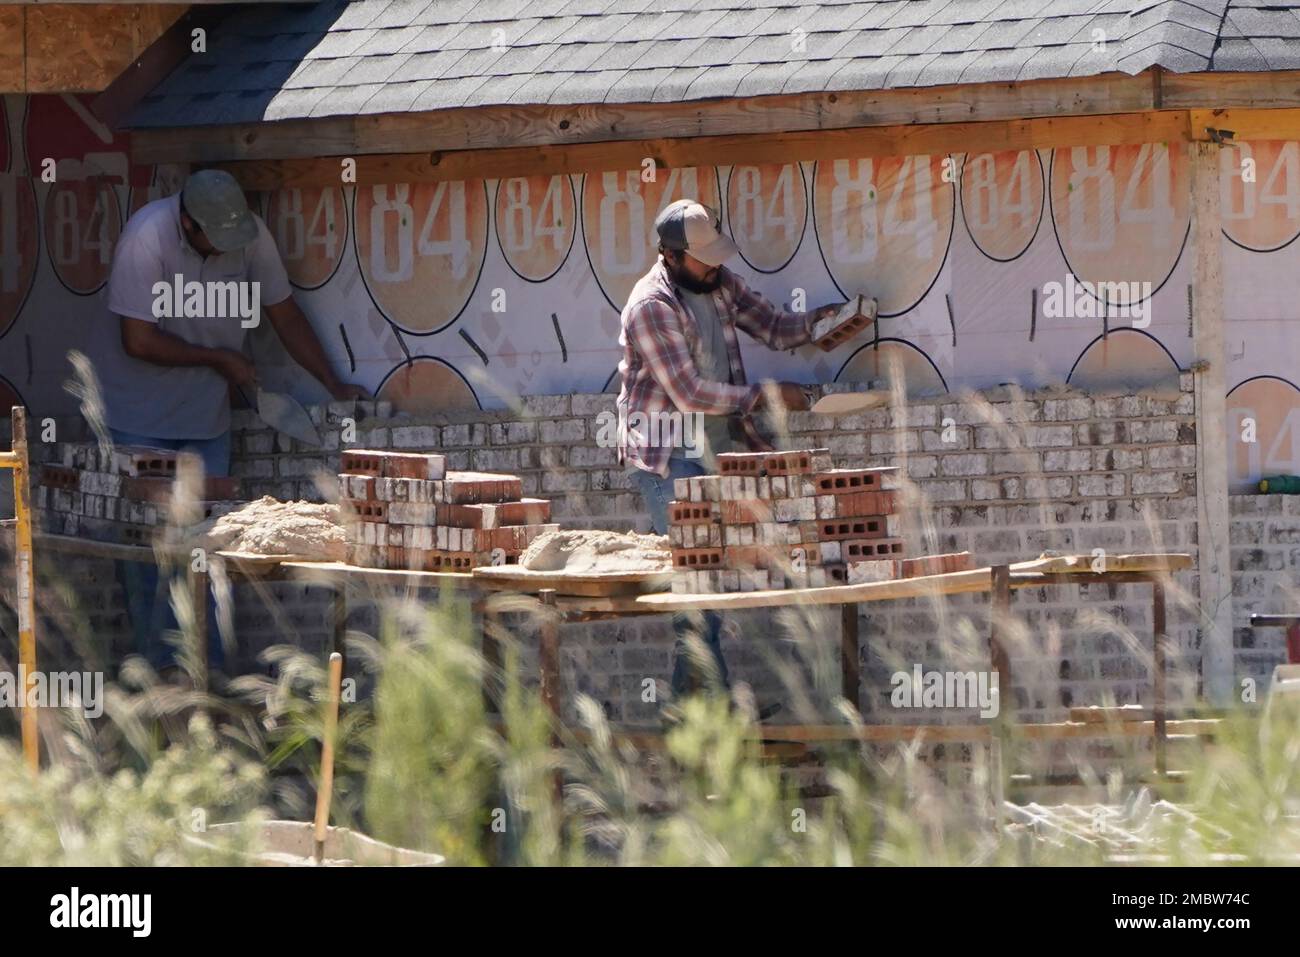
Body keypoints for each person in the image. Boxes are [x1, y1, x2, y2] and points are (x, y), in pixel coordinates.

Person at [94, 169, 366, 672]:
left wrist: (334, 384)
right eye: (213, 241)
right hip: (139, 418)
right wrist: (220, 359)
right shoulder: (146, 237)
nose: (224, 250)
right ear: (188, 223)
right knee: (150, 554)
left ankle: (210, 681)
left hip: (206, 421)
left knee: (210, 551)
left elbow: (284, 316)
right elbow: (138, 340)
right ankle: (156, 683)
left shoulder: (250, 235)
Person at [616, 198, 858, 703]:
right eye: (704, 259)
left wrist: (824, 325)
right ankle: (712, 715)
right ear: (671, 256)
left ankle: (698, 715)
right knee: (696, 585)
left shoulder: (716, 282)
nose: (715, 267)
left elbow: (772, 326)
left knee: (707, 582)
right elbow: (689, 393)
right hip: (670, 453)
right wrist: (771, 397)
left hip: (718, 447)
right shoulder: (650, 307)